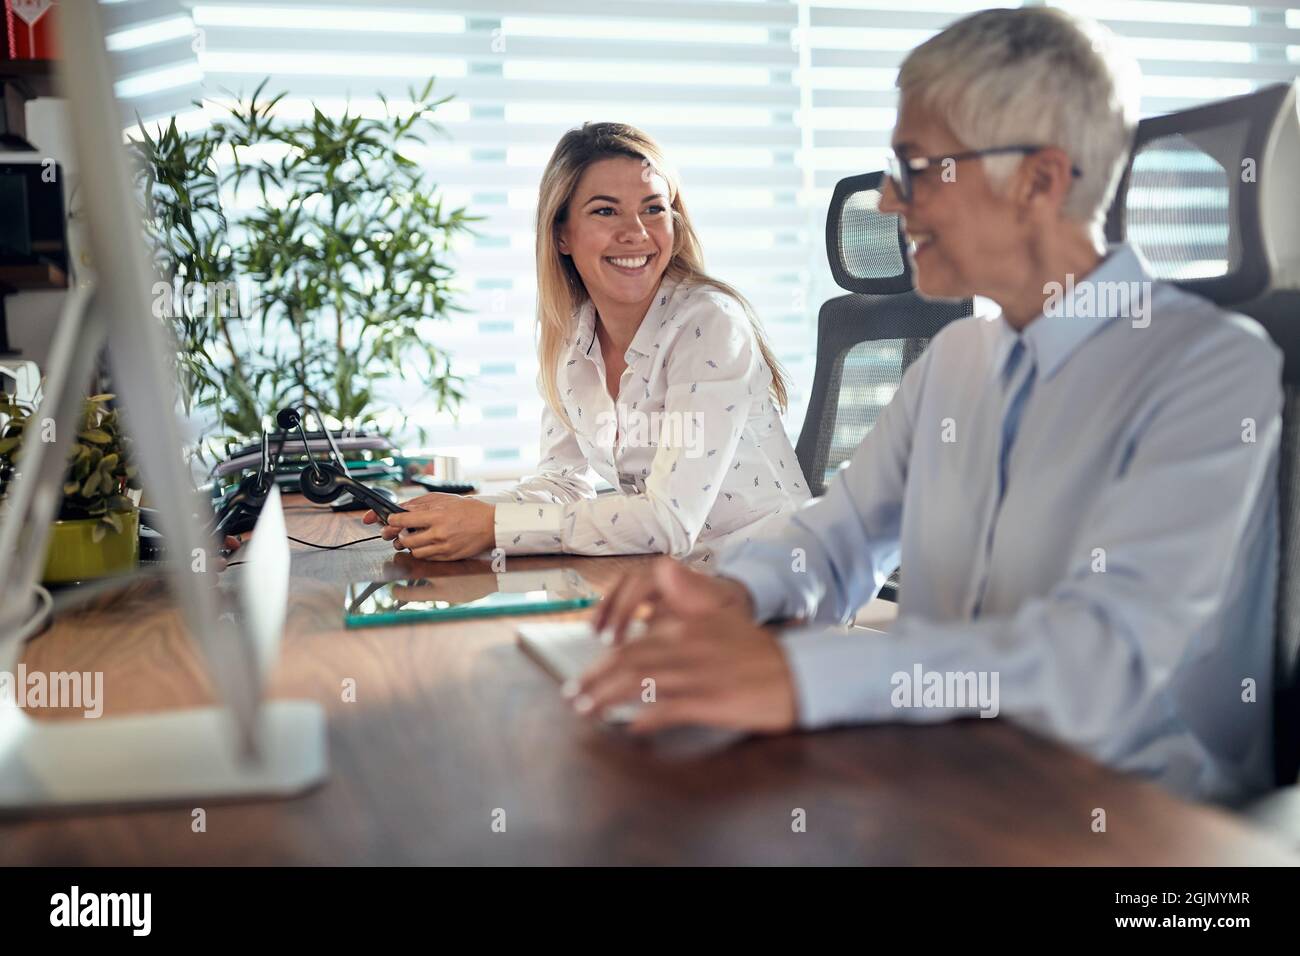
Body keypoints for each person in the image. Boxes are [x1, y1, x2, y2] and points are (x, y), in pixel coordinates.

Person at [577, 7, 1282, 803]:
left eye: (915, 169)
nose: (888, 201)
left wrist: (805, 676)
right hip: (944, 776)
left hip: (1130, 822)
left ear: (1039, 181)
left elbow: (1102, 666)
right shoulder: (957, 360)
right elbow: (836, 543)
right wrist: (741, 593)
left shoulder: (1211, 370)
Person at [365, 122, 808, 561]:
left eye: (653, 209)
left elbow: (669, 521)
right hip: (672, 585)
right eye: (605, 211)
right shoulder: (572, 335)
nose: (635, 231)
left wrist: (492, 528)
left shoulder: (708, 324)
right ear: (561, 234)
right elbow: (561, 483)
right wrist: (463, 513)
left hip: (774, 584)